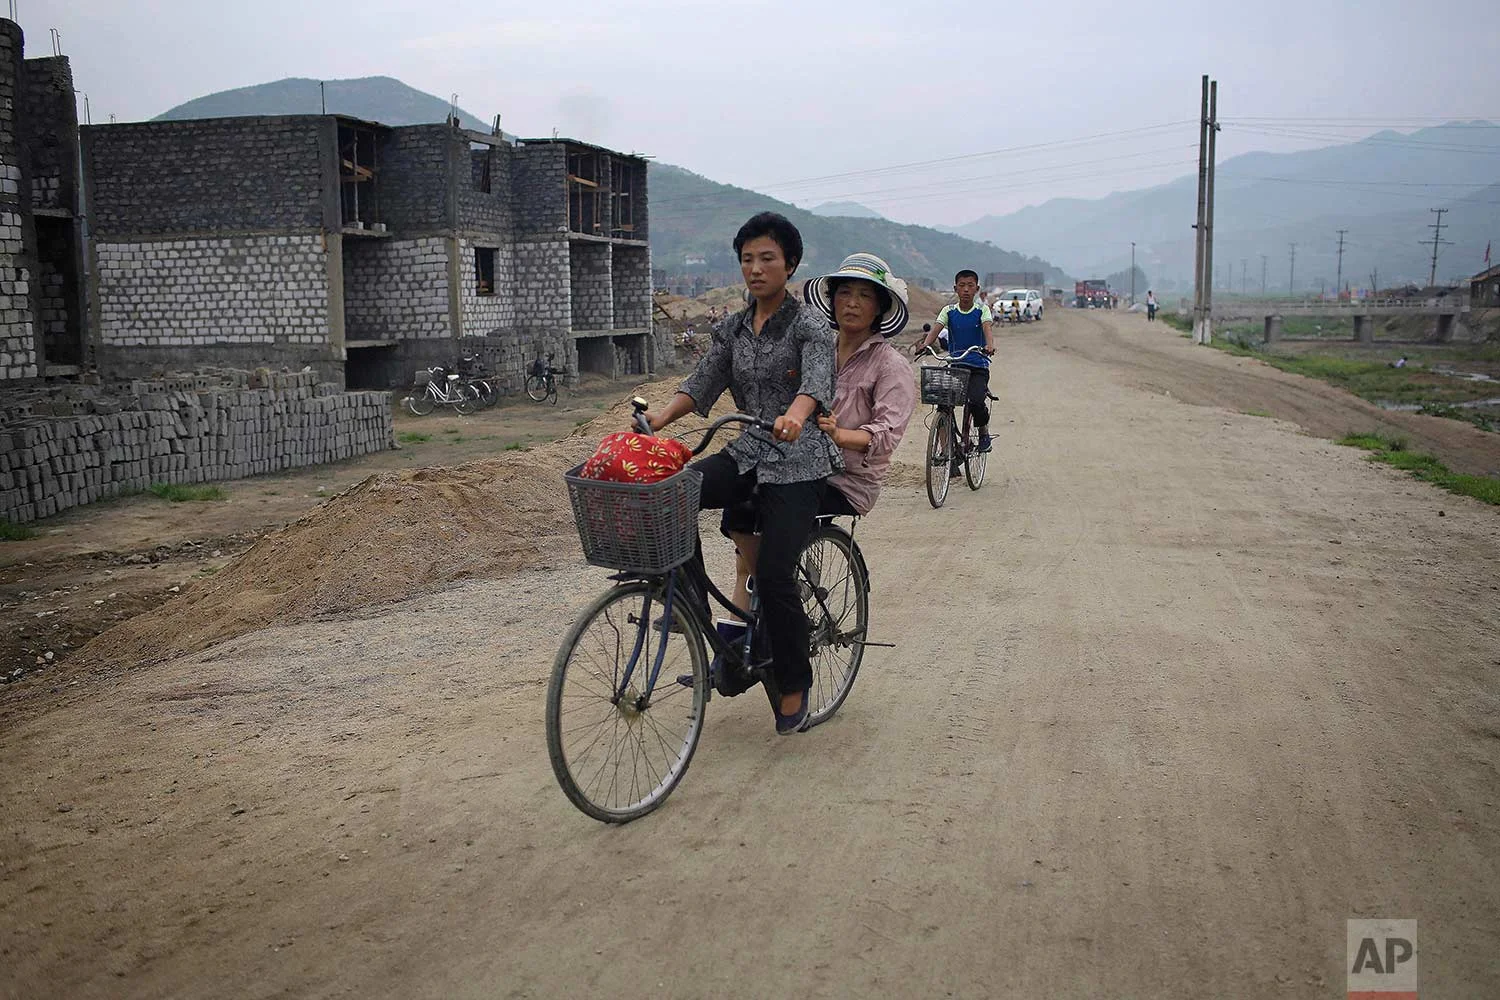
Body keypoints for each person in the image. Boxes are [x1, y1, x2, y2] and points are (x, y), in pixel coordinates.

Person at [641, 212, 837, 735]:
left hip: (799, 462)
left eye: (767, 258)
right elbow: (702, 381)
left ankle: (792, 683)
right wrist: (658, 419)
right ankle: (691, 604)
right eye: (747, 259)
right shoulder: (731, 327)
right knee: (675, 492)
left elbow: (815, 384)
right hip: (749, 449)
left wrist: (796, 416)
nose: (756, 268)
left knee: (774, 575)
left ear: (790, 264)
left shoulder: (812, 326)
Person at [701, 254, 918, 677]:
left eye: (864, 296)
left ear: (881, 308)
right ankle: (739, 642)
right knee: (741, 513)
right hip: (792, 462)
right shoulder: (812, 346)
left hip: (845, 478)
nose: (851, 303)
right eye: (845, 293)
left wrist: (840, 434)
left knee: (761, 531)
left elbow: (886, 435)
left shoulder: (891, 367)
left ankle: (770, 621)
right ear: (832, 300)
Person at [911, 269, 996, 461]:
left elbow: (987, 328)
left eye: (970, 286)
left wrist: (990, 345)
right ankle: (947, 449)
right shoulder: (948, 311)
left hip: (977, 366)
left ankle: (983, 432)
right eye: (962, 285)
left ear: (977, 289)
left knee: (976, 401)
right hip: (956, 366)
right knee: (942, 404)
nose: (966, 289)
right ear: (955, 288)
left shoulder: (982, 310)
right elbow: (936, 329)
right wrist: (925, 344)